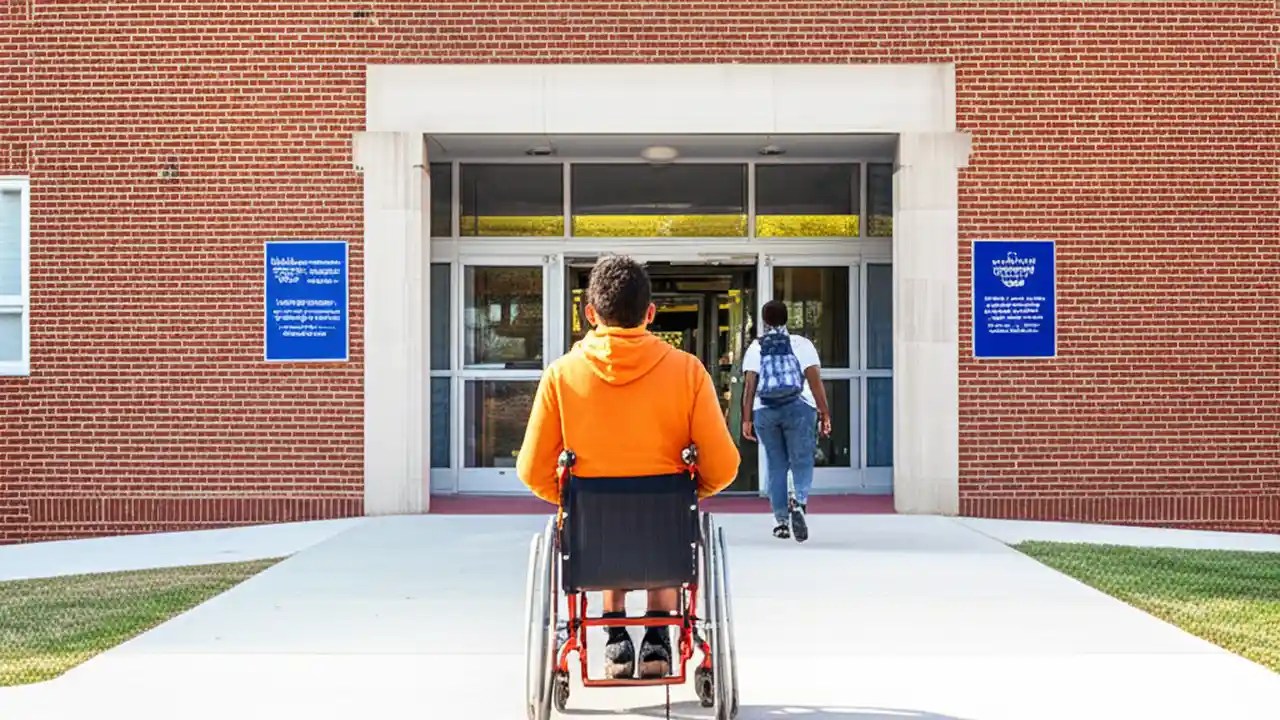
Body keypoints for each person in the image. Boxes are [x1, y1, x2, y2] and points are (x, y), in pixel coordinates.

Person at [516, 255, 740, 680]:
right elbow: (725, 465)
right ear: (650, 314)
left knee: (600, 515)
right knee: (666, 512)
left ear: (590, 313)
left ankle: (615, 636)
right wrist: (688, 496)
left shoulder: (562, 376)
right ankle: (658, 637)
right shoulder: (688, 372)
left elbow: (531, 470)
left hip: (594, 535)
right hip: (667, 530)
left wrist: (570, 503)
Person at [740, 300, 831, 542]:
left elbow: (750, 386)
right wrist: (825, 412)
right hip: (799, 408)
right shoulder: (801, 344)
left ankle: (780, 521)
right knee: (801, 459)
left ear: (764, 321)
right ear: (787, 319)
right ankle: (799, 502)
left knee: (776, 464)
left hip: (765, 411)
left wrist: (746, 419)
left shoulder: (756, 347)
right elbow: (814, 382)